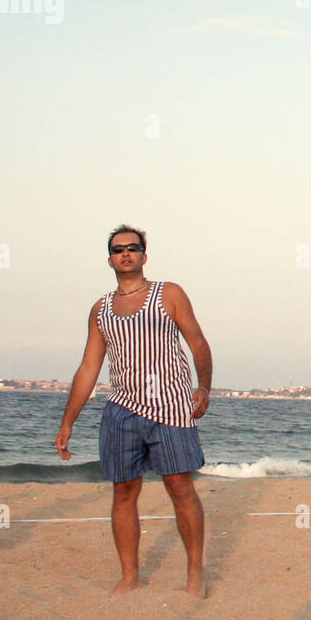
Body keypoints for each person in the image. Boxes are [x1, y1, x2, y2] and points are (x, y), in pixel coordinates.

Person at [55, 225, 213, 596]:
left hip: (171, 407)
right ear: (109, 259)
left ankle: (194, 573)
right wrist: (67, 423)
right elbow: (89, 368)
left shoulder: (169, 294)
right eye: (118, 249)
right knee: (123, 492)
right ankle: (130, 575)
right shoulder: (101, 310)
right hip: (121, 410)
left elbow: (198, 342)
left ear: (144, 254)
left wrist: (203, 386)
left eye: (133, 247)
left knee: (180, 487)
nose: (125, 253)